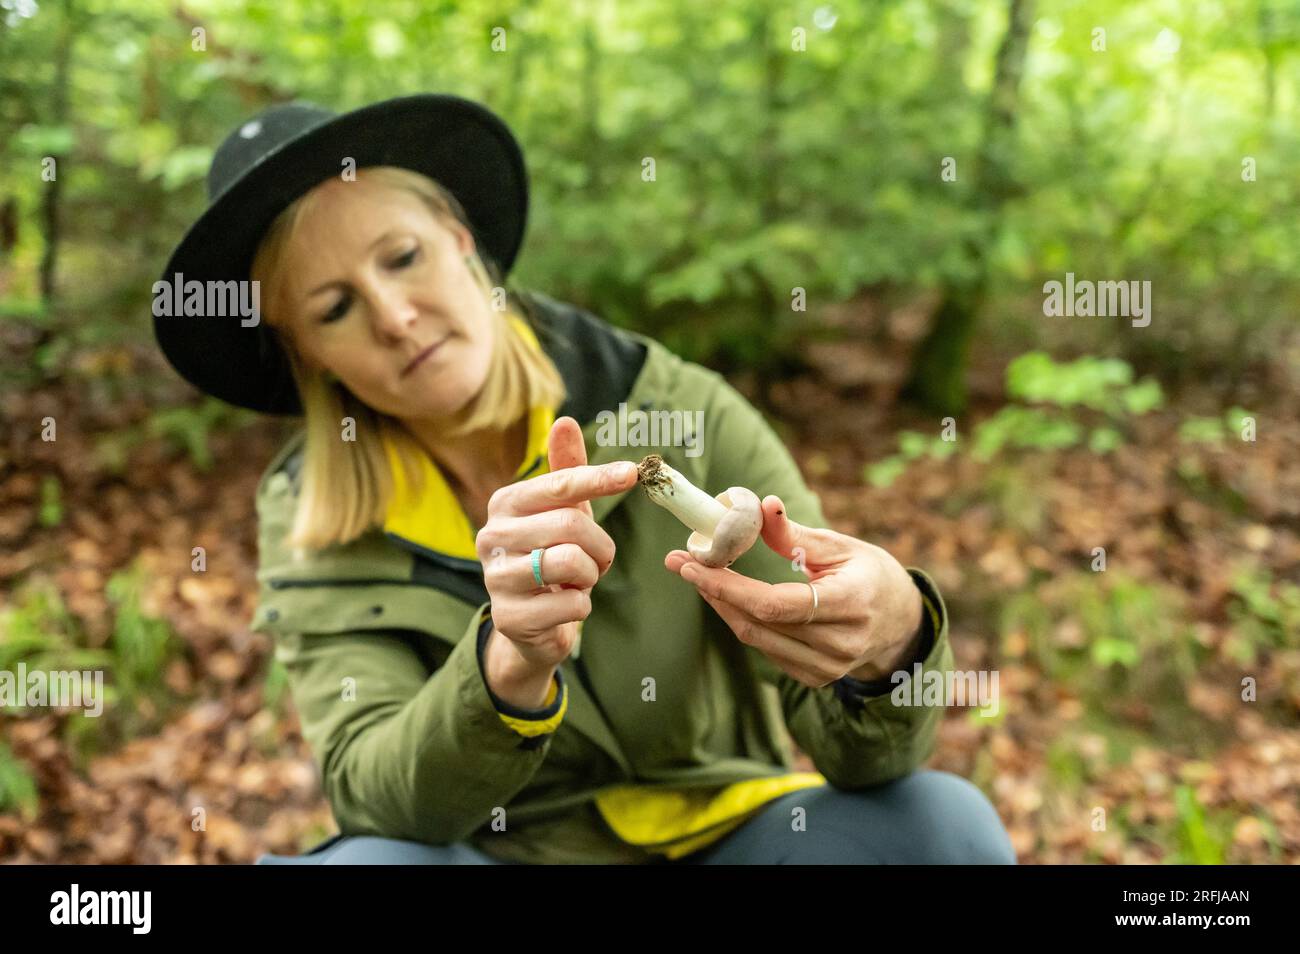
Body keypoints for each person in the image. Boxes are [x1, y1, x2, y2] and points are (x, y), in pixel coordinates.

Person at [153, 93, 1016, 865]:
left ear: (460, 239)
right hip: (501, 853)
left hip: (727, 831)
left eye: (403, 256)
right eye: (334, 308)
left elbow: (866, 757)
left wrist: (894, 648)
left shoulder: (678, 410)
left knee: (941, 826)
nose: (395, 316)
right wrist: (506, 667)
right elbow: (375, 797)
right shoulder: (310, 517)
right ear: (306, 352)